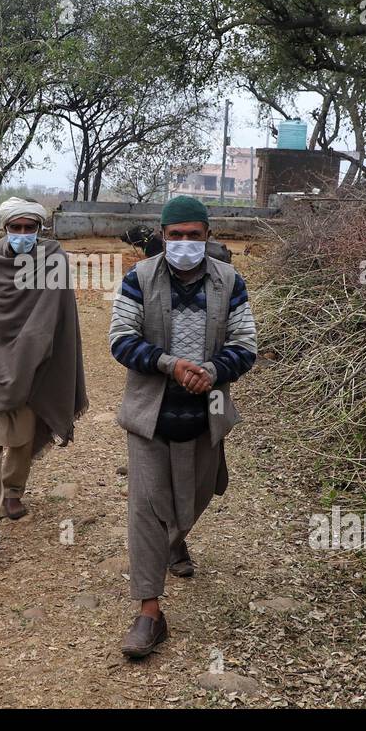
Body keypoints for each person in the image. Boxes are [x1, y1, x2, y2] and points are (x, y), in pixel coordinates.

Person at [108, 195, 257, 657]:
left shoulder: (230, 281)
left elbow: (245, 344)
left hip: (205, 413)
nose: (186, 244)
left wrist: (211, 372)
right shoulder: (139, 277)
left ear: (208, 236)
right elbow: (121, 340)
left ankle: (175, 541)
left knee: (197, 496)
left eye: (195, 235)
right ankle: (149, 613)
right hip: (151, 415)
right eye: (176, 236)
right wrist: (171, 366)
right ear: (162, 236)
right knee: (147, 509)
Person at [0, 197, 88, 549]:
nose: (22, 234)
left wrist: (30, 357)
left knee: (20, 441)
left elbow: (52, 319)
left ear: (40, 229)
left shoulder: (52, 259)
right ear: (4, 229)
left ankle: (13, 490)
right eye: (15, 228)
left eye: (29, 228)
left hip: (34, 364)